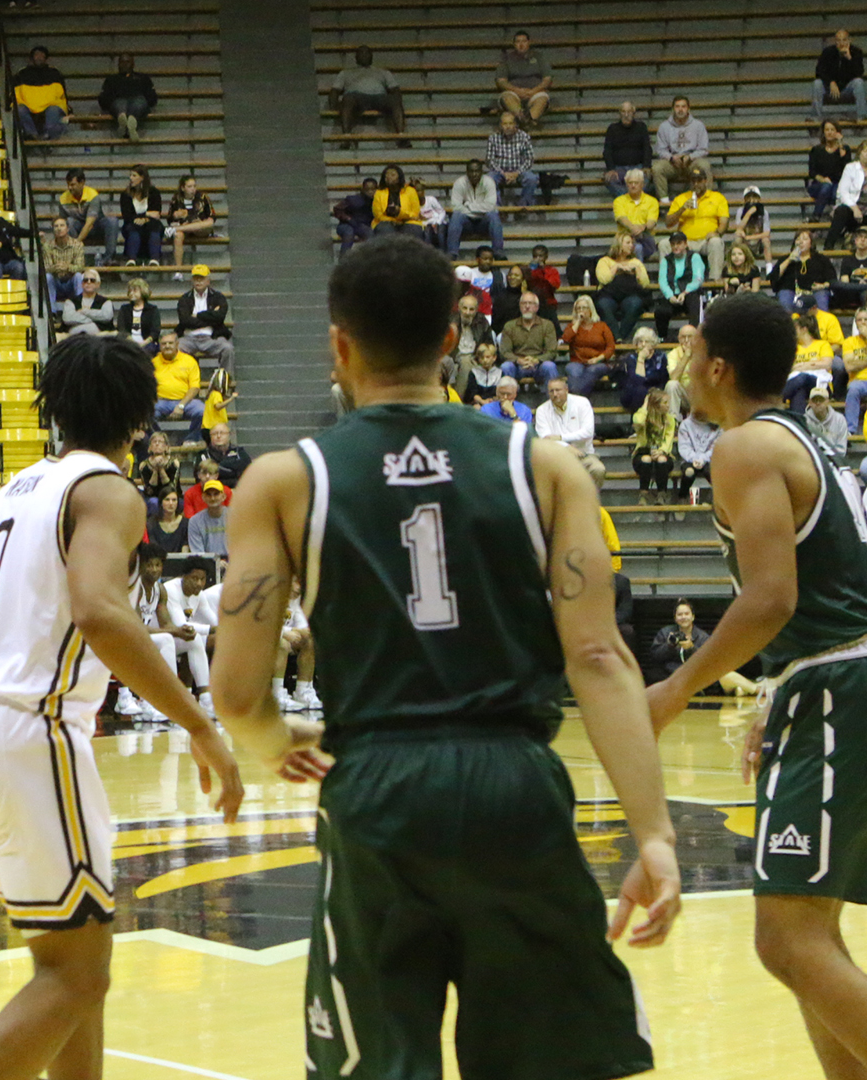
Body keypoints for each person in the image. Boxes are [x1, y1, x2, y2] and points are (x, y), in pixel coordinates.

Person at [212, 235, 678, 1080]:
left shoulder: (284, 481)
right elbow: (602, 658)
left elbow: (239, 693)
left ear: (339, 346)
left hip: (377, 791)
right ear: (453, 338)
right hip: (515, 783)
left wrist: (281, 750)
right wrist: (653, 834)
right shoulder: (544, 466)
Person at [0, 329, 240, 1075]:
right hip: (31, 733)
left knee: (71, 960)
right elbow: (98, 610)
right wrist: (198, 724)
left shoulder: (9, 491)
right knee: (77, 973)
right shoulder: (108, 492)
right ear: (139, 420)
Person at [639, 293, 867, 1080]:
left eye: (690, 349)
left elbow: (772, 597)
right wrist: (783, 689)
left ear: (719, 367)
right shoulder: (806, 440)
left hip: (842, 687)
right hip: (835, 679)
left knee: (786, 939)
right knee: (812, 929)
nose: (682, 362)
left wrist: (674, 689)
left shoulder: (743, 448)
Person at [329, 45, 406, 144]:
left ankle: (401, 136)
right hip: (356, 97)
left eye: (367, 53)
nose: (364, 55)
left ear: (371, 56)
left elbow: (395, 89)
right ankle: (346, 137)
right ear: (356, 57)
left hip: (379, 96)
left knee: (394, 100)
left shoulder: (383, 72)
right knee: (347, 99)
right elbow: (335, 90)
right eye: (361, 53)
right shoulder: (345, 73)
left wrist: (398, 99)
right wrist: (333, 105)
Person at [537, 375, 607, 484]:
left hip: (584, 454)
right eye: (551, 391)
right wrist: (567, 447)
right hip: (556, 457)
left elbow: (588, 432)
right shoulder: (542, 410)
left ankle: (589, 500)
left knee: (598, 469)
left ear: (566, 390)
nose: (555, 394)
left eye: (558, 390)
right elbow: (545, 438)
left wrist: (560, 437)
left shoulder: (582, 403)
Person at [595, 231, 652, 345]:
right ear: (619, 245)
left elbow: (645, 283)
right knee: (603, 305)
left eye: (632, 243)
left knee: (635, 304)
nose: (631, 245)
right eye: (628, 242)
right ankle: (617, 337)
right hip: (609, 295)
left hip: (630, 295)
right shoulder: (605, 261)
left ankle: (619, 338)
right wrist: (616, 268)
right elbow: (603, 279)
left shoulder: (635, 262)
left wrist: (637, 270)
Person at [150, 330, 205, 444]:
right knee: (146, 413)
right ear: (160, 346)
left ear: (177, 344)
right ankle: (160, 440)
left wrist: (181, 405)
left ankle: (191, 439)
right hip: (161, 402)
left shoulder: (189, 361)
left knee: (202, 410)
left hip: (185, 402)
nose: (167, 346)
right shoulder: (153, 363)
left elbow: (194, 387)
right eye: (164, 344)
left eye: (170, 343)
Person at [650, 96, 710, 199]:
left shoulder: (698, 125)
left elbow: (703, 149)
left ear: (688, 109)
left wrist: (690, 157)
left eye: (683, 106)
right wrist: (671, 158)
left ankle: (705, 200)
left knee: (704, 166)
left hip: (692, 161)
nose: (680, 109)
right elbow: (661, 150)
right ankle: (664, 202)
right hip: (672, 162)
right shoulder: (664, 126)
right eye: (677, 106)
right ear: (673, 109)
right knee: (657, 168)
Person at [444, 159, 504, 259]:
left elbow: (490, 206)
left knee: (493, 215)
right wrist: (479, 209)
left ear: (482, 172)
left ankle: (498, 252)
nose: (474, 174)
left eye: (477, 171)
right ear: (467, 172)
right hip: (467, 223)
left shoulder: (489, 182)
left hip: (483, 222)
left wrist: (468, 205)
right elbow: (455, 206)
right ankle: (452, 253)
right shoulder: (459, 183)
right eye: (471, 171)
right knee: (456, 216)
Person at [494, 29, 553, 128]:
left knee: (543, 99)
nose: (521, 44)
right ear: (514, 44)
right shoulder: (506, 58)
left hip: (535, 92)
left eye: (524, 41)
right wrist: (517, 90)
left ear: (529, 42)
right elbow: (501, 81)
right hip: (514, 92)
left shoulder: (539, 57)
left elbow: (547, 79)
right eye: (518, 42)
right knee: (507, 98)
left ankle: (524, 122)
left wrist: (533, 91)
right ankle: (525, 121)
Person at [175, 264, 232, 368]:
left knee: (227, 348)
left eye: (201, 278)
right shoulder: (184, 299)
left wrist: (197, 315)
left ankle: (224, 379)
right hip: (189, 338)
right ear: (192, 280)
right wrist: (210, 317)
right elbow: (185, 321)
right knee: (174, 349)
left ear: (208, 281)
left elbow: (219, 318)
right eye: (196, 278)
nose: (198, 281)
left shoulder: (218, 297)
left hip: (211, 338)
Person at [12, 46, 70, 141]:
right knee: (19, 109)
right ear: (31, 58)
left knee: (54, 110)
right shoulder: (21, 74)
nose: (39, 57)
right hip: (27, 105)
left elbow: (62, 95)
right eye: (36, 55)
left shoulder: (55, 73)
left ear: (46, 58)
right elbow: (15, 96)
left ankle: (48, 136)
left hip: (51, 105)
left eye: (42, 55)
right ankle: (32, 134)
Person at [773, 228, 836, 313]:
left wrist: (823, 285)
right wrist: (789, 260)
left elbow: (832, 279)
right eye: (798, 239)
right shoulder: (785, 259)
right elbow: (774, 277)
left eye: (805, 239)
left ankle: (821, 325)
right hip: (791, 291)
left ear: (811, 243)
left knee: (822, 297)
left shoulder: (821, 259)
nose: (801, 242)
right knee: (784, 298)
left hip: (815, 291)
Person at [813, 28, 867, 125]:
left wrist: (849, 58)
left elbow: (859, 73)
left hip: (847, 88)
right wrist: (831, 82)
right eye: (838, 40)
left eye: (844, 40)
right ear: (835, 41)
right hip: (830, 88)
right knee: (817, 84)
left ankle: (861, 117)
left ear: (849, 40)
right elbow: (819, 71)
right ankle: (816, 118)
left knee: (859, 82)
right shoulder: (828, 52)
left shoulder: (856, 52)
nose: (841, 43)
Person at [485, 111, 539, 206]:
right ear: (501, 125)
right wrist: (503, 173)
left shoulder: (524, 137)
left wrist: (517, 172)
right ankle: (498, 209)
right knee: (489, 179)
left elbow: (529, 159)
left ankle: (522, 207)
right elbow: (490, 160)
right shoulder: (493, 138)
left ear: (515, 124)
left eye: (510, 123)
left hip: (519, 171)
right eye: (505, 124)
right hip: (499, 171)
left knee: (532, 179)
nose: (508, 126)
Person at [98, 54, 156, 141]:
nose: (124, 64)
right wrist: (111, 101)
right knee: (120, 103)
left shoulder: (142, 78)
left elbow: (152, 98)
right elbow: (103, 99)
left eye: (127, 62)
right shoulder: (111, 79)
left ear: (133, 64)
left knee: (139, 102)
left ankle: (129, 121)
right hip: (119, 103)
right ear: (118, 64)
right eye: (122, 62)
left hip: (138, 102)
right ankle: (125, 119)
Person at [601, 101, 652, 198]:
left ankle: (627, 199)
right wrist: (611, 169)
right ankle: (628, 198)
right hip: (618, 169)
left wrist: (646, 166)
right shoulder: (612, 129)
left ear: (634, 112)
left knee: (647, 177)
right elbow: (607, 151)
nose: (626, 115)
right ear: (619, 113)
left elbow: (647, 148)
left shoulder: (641, 127)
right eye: (623, 112)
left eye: (629, 112)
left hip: (638, 168)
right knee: (609, 179)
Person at [165, 176, 216, 268]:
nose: (193, 189)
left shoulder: (203, 197)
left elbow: (212, 217)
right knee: (178, 235)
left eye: (194, 186)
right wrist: (176, 216)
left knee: (208, 223)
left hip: (200, 229)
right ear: (183, 188)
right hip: (184, 230)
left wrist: (190, 221)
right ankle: (178, 269)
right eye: (189, 186)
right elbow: (170, 220)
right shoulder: (176, 199)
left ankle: (178, 229)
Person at [613, 167, 661, 261]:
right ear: (626, 185)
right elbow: (622, 218)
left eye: (636, 183)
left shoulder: (652, 201)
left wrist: (642, 228)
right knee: (637, 248)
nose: (633, 186)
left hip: (646, 238)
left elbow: (651, 222)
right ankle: (639, 273)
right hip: (625, 238)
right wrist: (633, 228)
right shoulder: (619, 201)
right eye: (630, 183)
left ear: (642, 184)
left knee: (641, 245)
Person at [827, 142, 867, 250]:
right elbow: (842, 192)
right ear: (860, 153)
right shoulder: (851, 168)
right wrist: (854, 208)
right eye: (865, 151)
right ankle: (828, 247)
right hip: (852, 208)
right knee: (841, 211)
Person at [59, 271, 114, 336]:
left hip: (99, 341)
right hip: (74, 340)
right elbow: (67, 318)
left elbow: (106, 317)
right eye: (85, 280)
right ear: (82, 284)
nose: (88, 282)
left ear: (98, 284)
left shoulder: (106, 302)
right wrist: (94, 320)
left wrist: (84, 311)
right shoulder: (70, 301)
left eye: (92, 280)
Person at [332, 177, 378, 255]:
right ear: (363, 189)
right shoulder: (353, 199)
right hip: (345, 224)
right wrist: (348, 218)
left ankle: (370, 260)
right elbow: (337, 209)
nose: (370, 192)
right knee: (349, 232)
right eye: (367, 189)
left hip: (361, 225)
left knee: (370, 234)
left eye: (373, 189)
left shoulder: (377, 201)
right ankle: (343, 261)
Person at [187, 479, 228, 555]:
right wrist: (216, 562)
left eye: (216, 494)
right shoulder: (194, 521)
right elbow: (198, 553)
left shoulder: (236, 517)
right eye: (209, 494)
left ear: (223, 496)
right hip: (206, 564)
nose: (212, 498)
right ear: (203, 497)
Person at [116, 277, 161, 345]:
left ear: (143, 291)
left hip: (147, 342)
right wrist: (132, 342)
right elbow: (122, 329)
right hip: (128, 342)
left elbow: (155, 331)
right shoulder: (124, 309)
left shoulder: (152, 309)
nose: (131, 293)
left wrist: (144, 343)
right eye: (130, 291)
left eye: (134, 290)